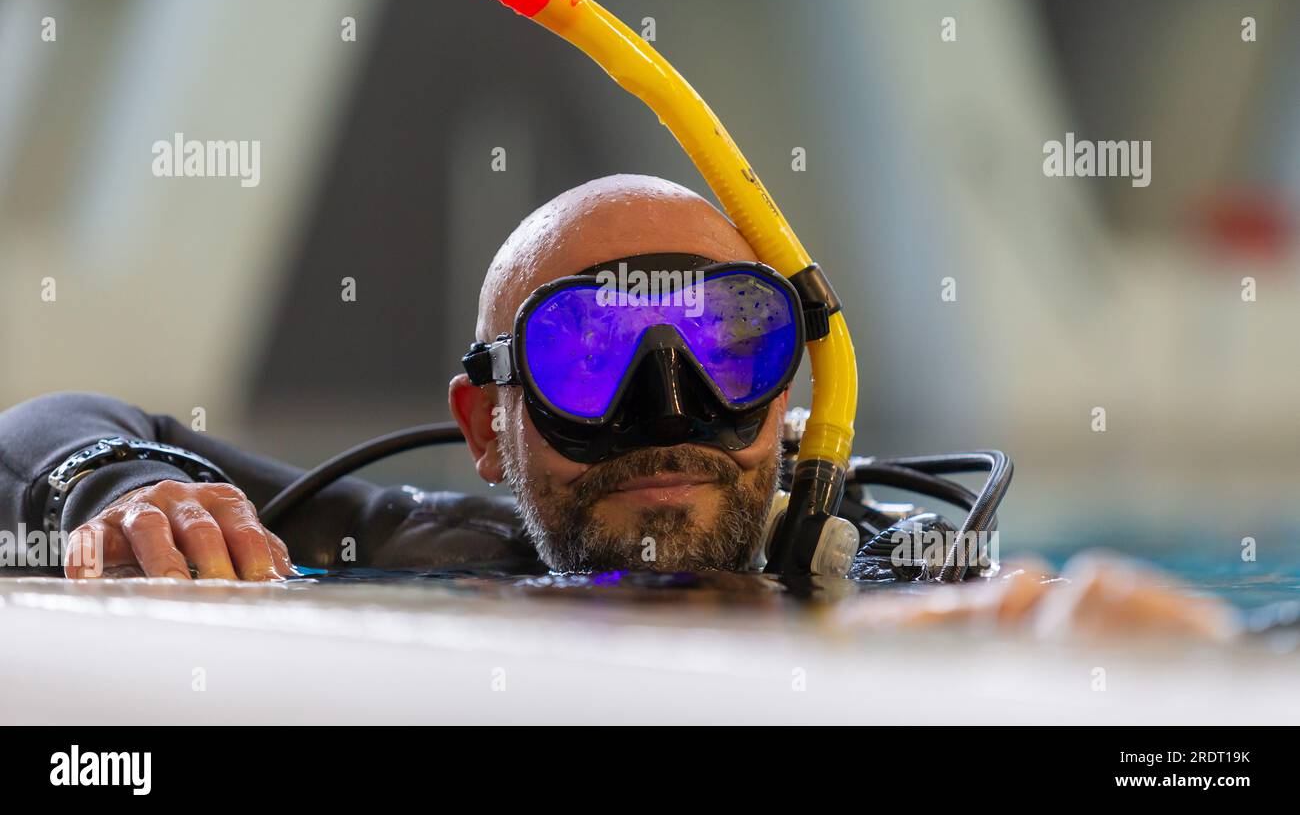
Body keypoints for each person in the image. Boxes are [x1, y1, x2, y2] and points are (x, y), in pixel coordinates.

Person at [0, 175, 1236, 638]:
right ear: (488, 425)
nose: (669, 411)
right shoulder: (432, 550)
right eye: (590, 356)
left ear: (793, 390)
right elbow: (47, 421)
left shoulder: (906, 572)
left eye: (725, 346)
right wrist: (117, 486)